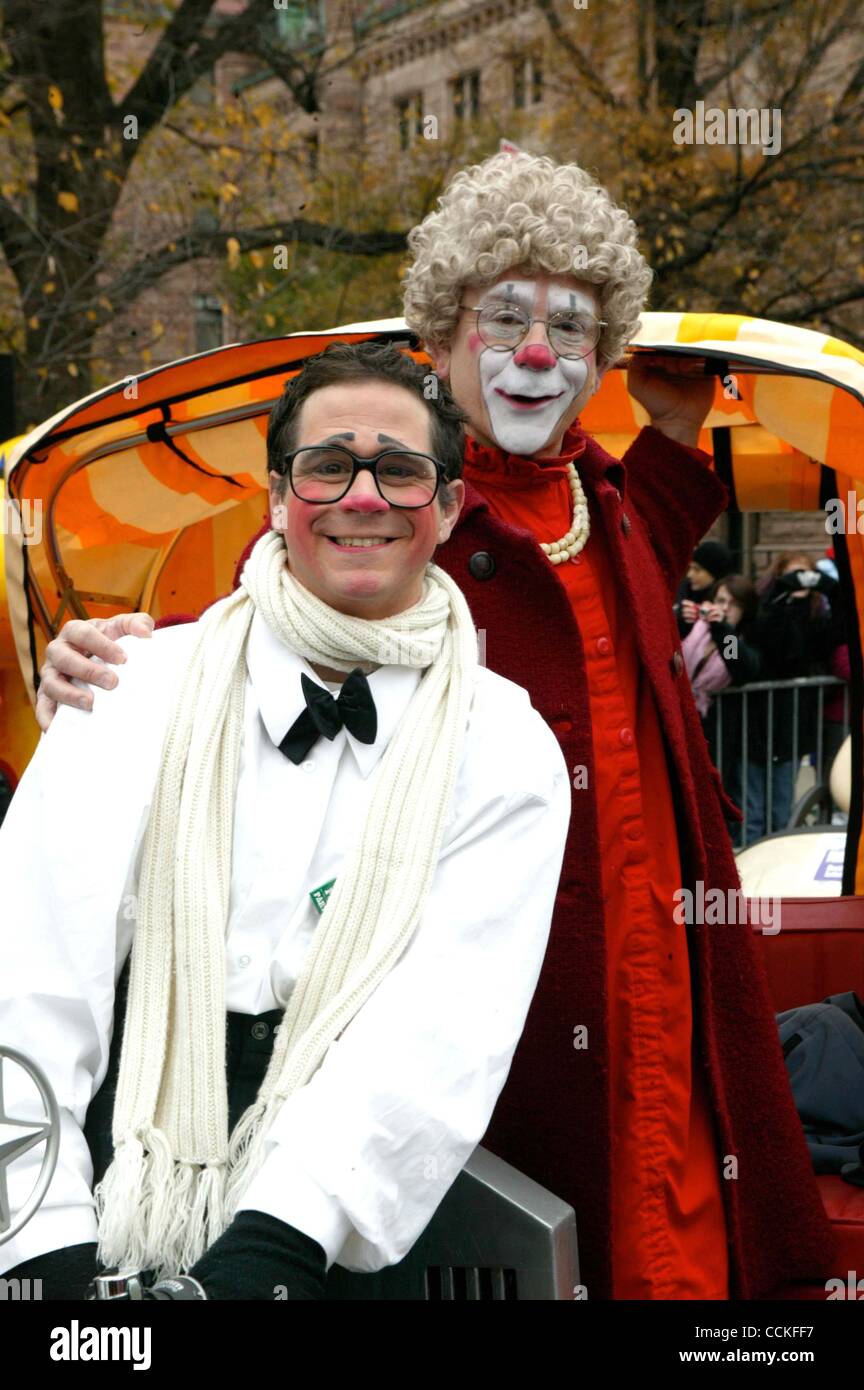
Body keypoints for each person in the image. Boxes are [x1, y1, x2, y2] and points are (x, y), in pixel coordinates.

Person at [33, 151, 834, 1299]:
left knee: (690, 1243)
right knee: (553, 1233)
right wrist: (120, 654)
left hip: (657, 954)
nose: (537, 353)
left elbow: (637, 563)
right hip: (493, 968)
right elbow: (274, 609)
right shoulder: (410, 504)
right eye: (504, 315)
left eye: (572, 324)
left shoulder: (602, 497)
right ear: (444, 334)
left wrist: (670, 433)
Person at [0, 342, 571, 1300]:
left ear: (448, 507)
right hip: (100, 1183)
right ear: (276, 498)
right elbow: (30, 979)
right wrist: (42, 1246)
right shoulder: (131, 689)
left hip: (340, 1218)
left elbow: (440, 1032)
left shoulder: (506, 749)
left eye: (400, 470)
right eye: (325, 467)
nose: (362, 496)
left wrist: (272, 1252)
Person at [747, 552, 841, 841]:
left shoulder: (819, 612)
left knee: (784, 793)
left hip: (796, 715)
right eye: (794, 575)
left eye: (806, 575)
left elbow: (836, 639)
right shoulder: (765, 607)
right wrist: (781, 593)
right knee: (753, 799)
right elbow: (754, 645)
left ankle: (782, 841)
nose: (800, 582)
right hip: (758, 713)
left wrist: (832, 590)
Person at [681, 575, 760, 841]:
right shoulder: (696, 629)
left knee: (712, 795)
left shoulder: (737, 638)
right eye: (720, 600)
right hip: (685, 719)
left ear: (745, 610)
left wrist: (721, 627)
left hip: (718, 729)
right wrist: (682, 619)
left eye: (732, 604)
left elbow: (738, 664)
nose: (724, 608)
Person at [673, 539, 733, 637]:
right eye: (690, 568)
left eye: (697, 570)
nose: (689, 575)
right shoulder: (682, 592)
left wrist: (722, 628)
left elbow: (733, 651)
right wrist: (678, 619)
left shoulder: (732, 602)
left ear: (714, 573)